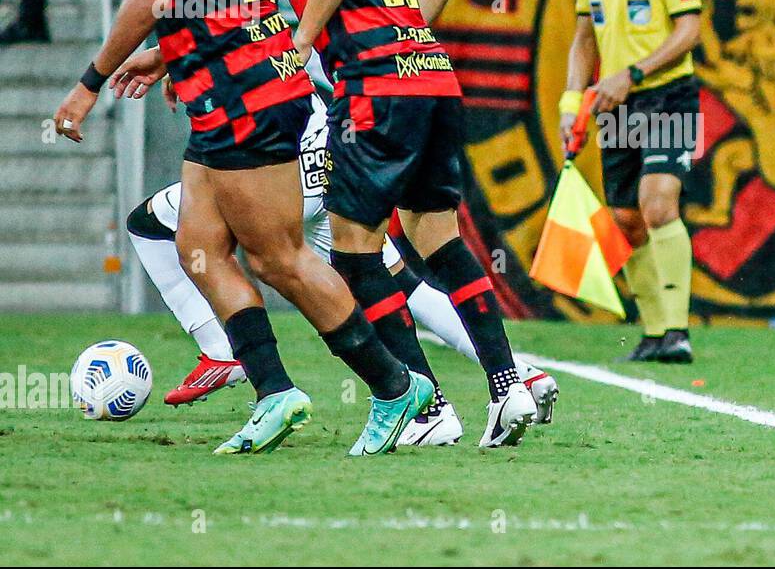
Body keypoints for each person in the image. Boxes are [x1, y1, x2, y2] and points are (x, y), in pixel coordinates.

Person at [56, 0, 433, 457]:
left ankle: (393, 385)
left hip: (244, 98)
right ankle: (275, 391)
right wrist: (168, 58)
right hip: (245, 82)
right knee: (197, 244)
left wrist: (90, 84)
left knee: (278, 257)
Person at [252, 0, 537, 448]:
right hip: (433, 77)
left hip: (376, 90)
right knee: (438, 238)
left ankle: (428, 405)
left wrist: (302, 44)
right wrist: (404, 38)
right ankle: (507, 387)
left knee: (354, 249)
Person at [114, 66, 559, 437]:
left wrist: (101, 79)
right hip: (324, 145)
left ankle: (224, 349)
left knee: (153, 226)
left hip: (275, 159)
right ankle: (515, 374)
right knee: (396, 280)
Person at [562, 0, 702, 364]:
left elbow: (689, 31)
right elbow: (582, 41)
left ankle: (679, 331)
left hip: (667, 93)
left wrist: (634, 74)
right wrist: (571, 102)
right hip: (614, 102)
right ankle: (656, 330)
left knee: (659, 203)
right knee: (625, 221)